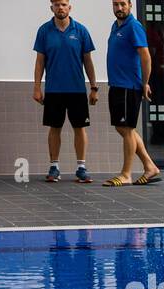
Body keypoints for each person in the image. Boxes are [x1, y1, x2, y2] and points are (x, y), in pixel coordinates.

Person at [32, 0, 99, 184]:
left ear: (70, 7)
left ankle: (81, 168)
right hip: (54, 90)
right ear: (51, 7)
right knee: (55, 128)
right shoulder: (44, 31)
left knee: (80, 128)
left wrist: (93, 87)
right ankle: (54, 167)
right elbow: (39, 62)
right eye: (57, 4)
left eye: (63, 4)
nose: (60, 8)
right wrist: (37, 87)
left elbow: (88, 61)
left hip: (77, 90)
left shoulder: (81, 31)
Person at [102, 0, 161, 186]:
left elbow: (145, 56)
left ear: (130, 5)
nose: (119, 8)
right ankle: (149, 166)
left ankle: (126, 174)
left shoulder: (133, 26)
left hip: (129, 86)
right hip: (117, 85)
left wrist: (145, 83)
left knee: (126, 129)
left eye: (123, 4)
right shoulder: (116, 25)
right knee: (123, 127)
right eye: (116, 4)